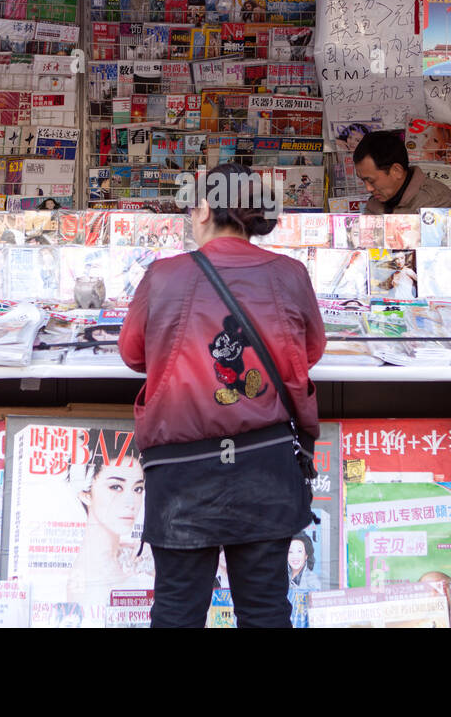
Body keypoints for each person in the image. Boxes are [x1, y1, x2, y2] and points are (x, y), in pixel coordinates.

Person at [119, 163, 325, 628]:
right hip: (264, 466)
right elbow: (309, 351)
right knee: (266, 610)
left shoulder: (164, 275)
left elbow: (133, 354)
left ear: (207, 209)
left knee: (176, 610)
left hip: (181, 472)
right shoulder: (290, 274)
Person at [64, 442, 152, 620]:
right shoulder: (85, 579)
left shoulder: (134, 556)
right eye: (116, 487)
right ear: (86, 493)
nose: (131, 502)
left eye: (138, 489)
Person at [352, 130, 451, 214]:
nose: (368, 188)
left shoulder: (436, 200)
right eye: (363, 180)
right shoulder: (374, 204)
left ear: (396, 171)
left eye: (371, 180)